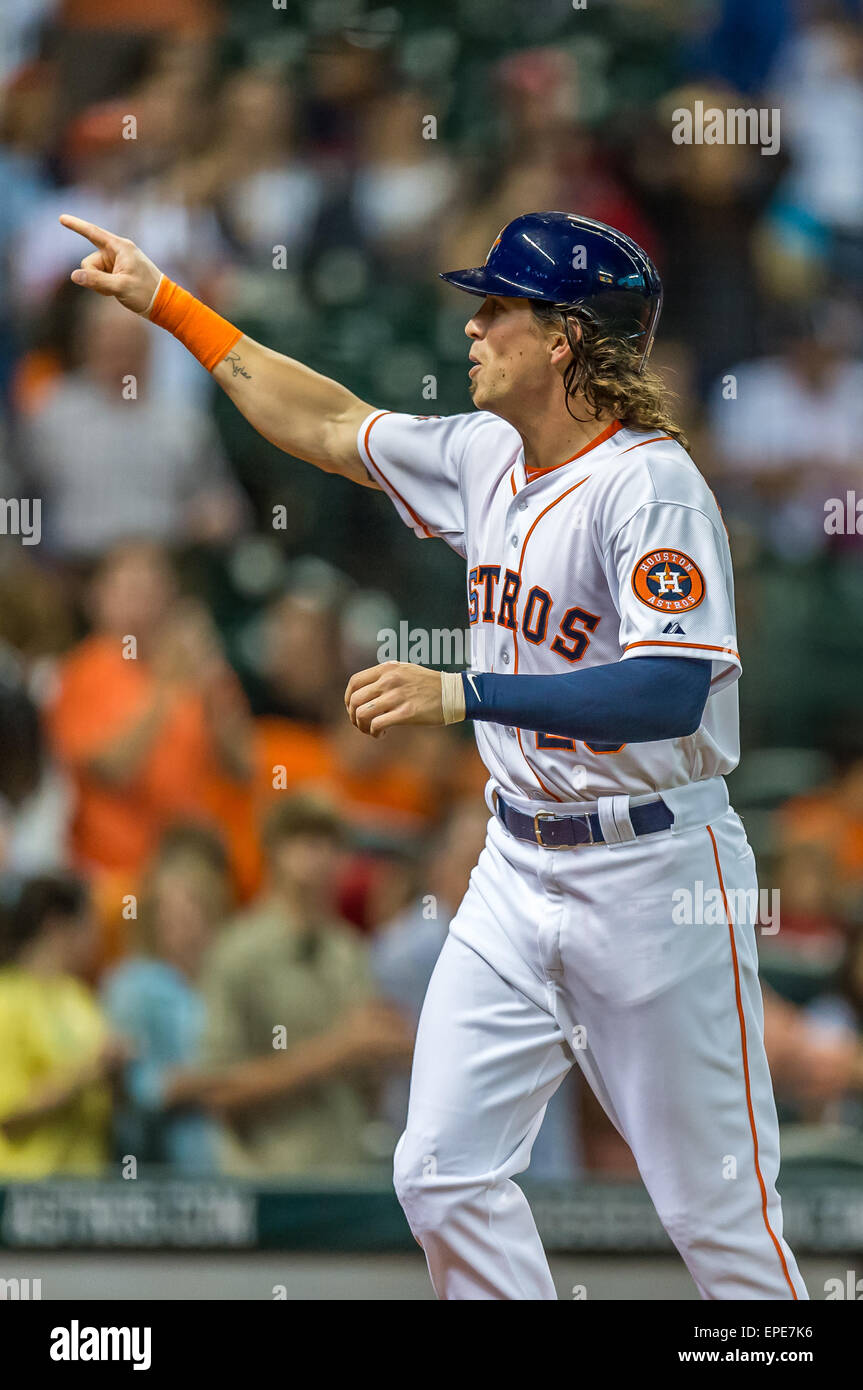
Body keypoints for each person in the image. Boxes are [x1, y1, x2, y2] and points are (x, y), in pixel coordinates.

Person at [60, 207, 806, 1299]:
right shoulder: (481, 453)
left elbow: (668, 687)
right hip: (515, 867)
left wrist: (462, 694)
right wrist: (168, 302)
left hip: (653, 874)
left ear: (559, 339)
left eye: (493, 307)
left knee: (717, 1220)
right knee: (438, 1172)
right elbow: (323, 423)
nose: (469, 327)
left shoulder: (649, 485)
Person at [197, 798, 413, 1177]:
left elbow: (367, 1082)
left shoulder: (349, 951)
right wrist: (339, 1049)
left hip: (346, 1175)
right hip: (269, 1183)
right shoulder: (238, 951)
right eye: (305, 841)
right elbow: (218, 1090)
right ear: (274, 852)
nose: (322, 856)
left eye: (332, 844)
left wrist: (390, 1050)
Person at [101, 824, 232, 1174]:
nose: (182, 922)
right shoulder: (132, 984)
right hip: (157, 1163)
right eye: (168, 912)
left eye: (192, 909)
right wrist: (227, 1081)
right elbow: (138, 1089)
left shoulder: (225, 980)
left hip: (225, 1159)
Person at [0, 874, 125, 1177]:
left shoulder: (82, 1000)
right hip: (21, 1193)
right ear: (56, 924)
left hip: (83, 1188)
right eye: (88, 925)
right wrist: (87, 1072)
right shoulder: (7, 1001)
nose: (96, 939)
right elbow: (8, 1111)